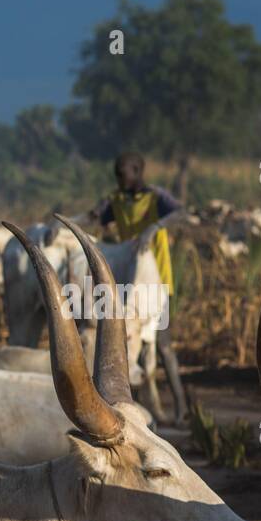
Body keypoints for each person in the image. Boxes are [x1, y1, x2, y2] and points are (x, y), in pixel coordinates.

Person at [86, 150, 188, 420]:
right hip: (128, 281)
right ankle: (145, 411)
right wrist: (73, 222)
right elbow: (94, 217)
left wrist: (154, 227)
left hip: (157, 283)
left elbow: (181, 213)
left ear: (137, 172)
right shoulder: (116, 200)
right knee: (132, 345)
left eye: (123, 174)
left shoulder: (156, 197)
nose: (119, 180)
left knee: (162, 345)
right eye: (116, 176)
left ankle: (181, 407)